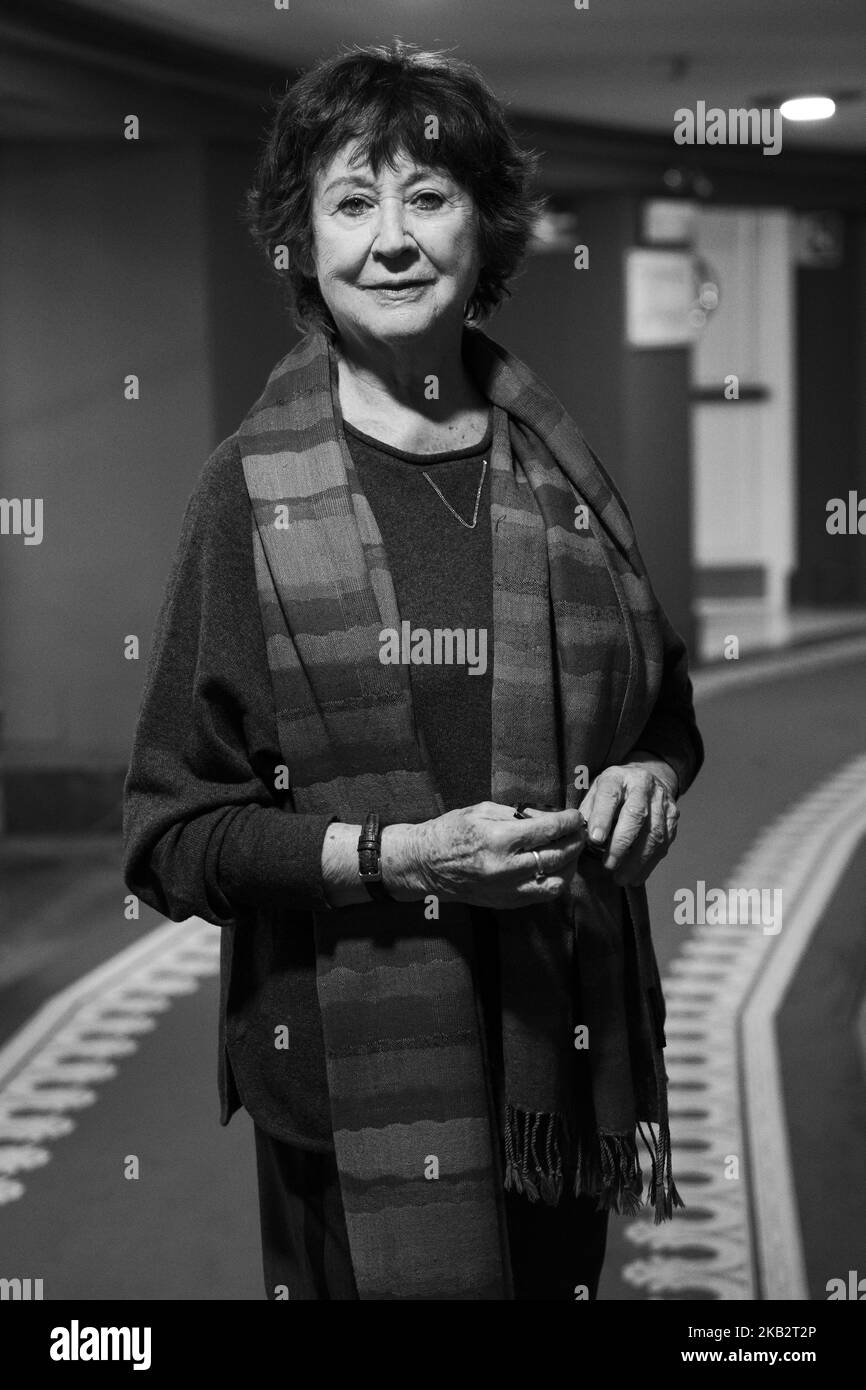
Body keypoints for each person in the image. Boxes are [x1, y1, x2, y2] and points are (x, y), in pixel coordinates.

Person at [122, 40, 704, 1302]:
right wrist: (404, 858)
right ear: (301, 243)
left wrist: (648, 778)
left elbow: (662, 706)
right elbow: (173, 837)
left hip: (555, 1057)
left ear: (482, 227)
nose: (391, 240)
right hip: (344, 1080)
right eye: (350, 202)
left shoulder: (558, 465)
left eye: (427, 196)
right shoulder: (247, 494)